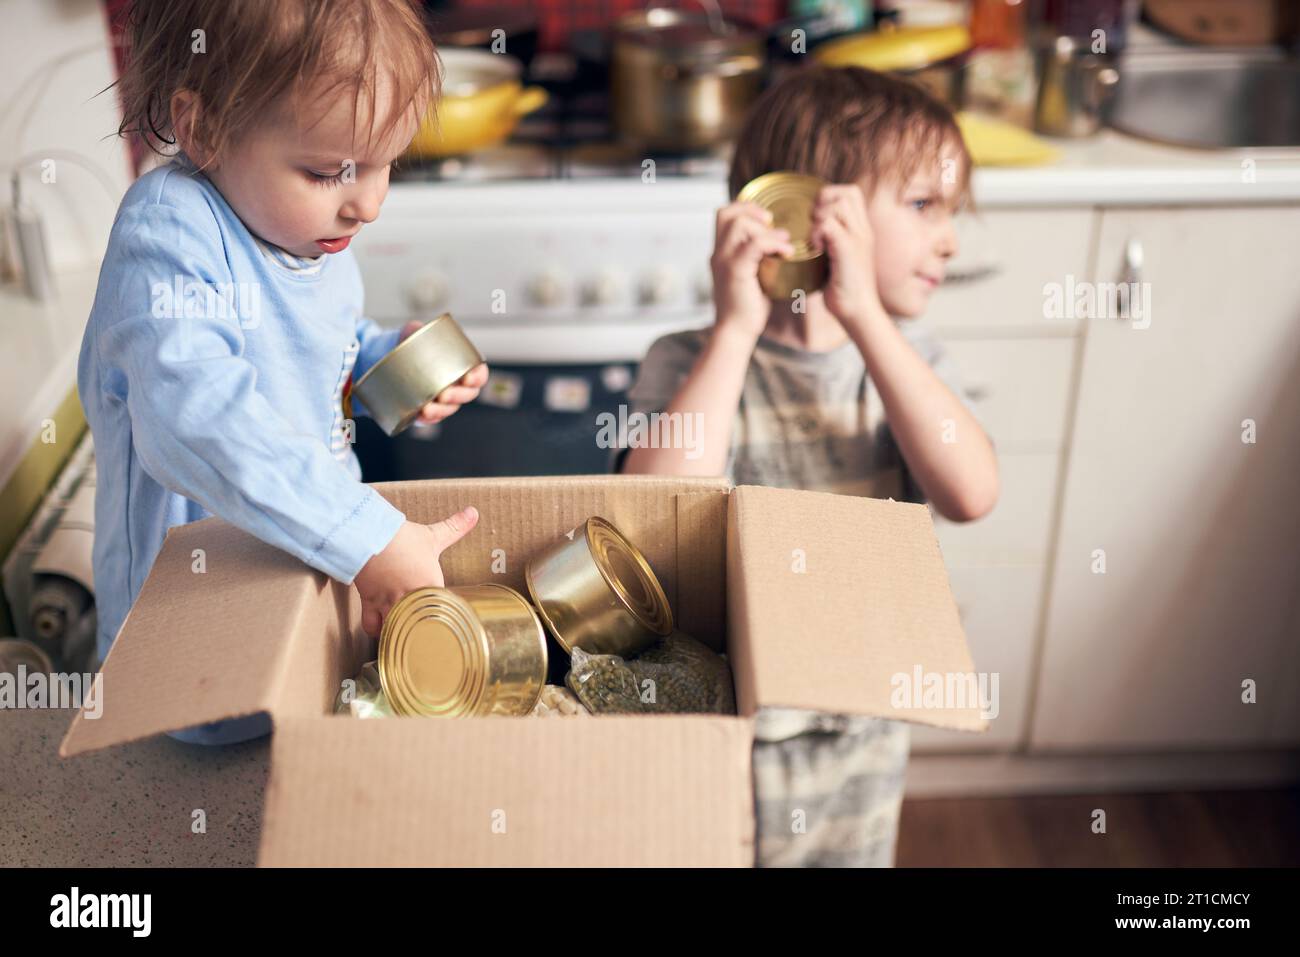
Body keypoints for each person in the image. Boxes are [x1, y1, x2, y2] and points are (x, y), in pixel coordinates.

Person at [618, 66, 999, 865]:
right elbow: (645, 514)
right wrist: (733, 331)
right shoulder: (689, 359)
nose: (951, 238)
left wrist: (865, 318)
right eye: (925, 205)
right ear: (808, 210)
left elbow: (971, 492)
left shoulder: (904, 363)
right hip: (723, 717)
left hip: (857, 719)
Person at [78, 0, 483, 744]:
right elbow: (193, 422)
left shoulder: (305, 224)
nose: (369, 203)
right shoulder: (168, 234)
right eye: (331, 172)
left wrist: (384, 363)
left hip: (309, 570)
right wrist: (367, 535)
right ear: (203, 129)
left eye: (387, 163)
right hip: (192, 633)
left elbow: (316, 348)